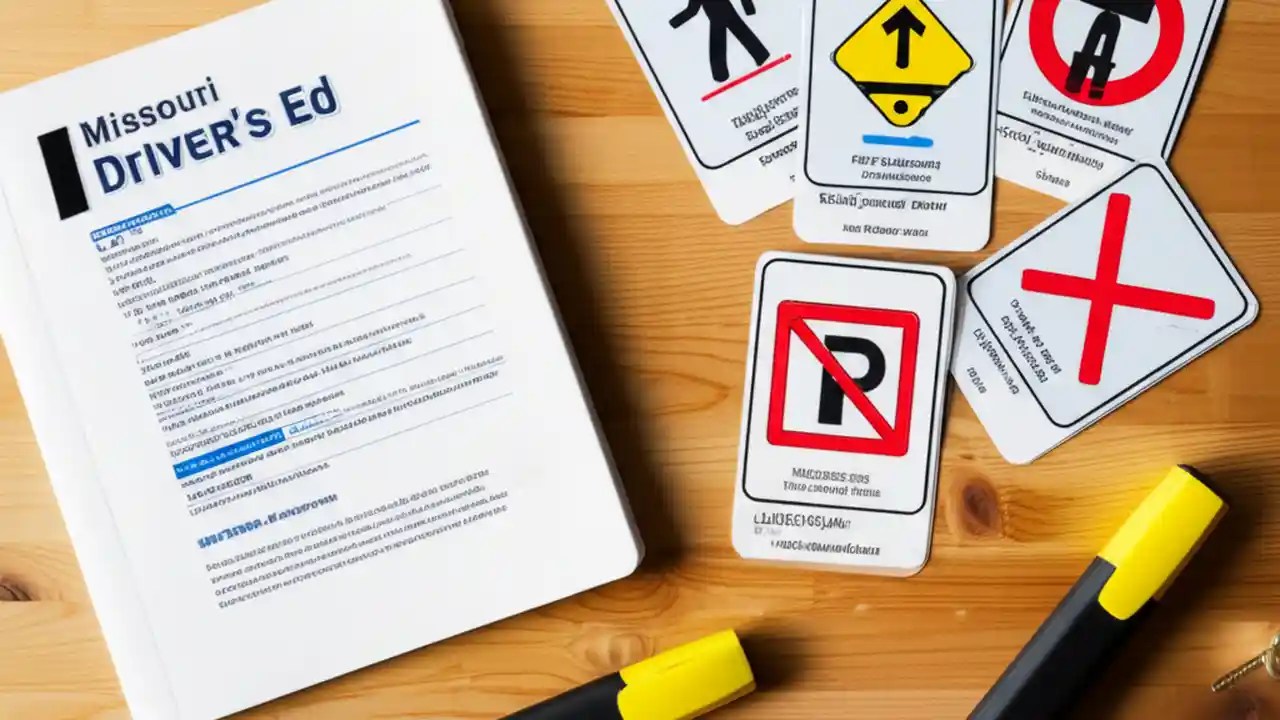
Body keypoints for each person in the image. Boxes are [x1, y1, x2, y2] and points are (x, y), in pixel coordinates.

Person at [669, 0, 771, 84]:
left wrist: (674, 22)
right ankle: (761, 55)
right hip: (727, 10)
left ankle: (721, 75)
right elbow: (692, 10)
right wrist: (749, 9)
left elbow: (692, 10)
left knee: (717, 45)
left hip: (716, 16)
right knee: (742, 33)